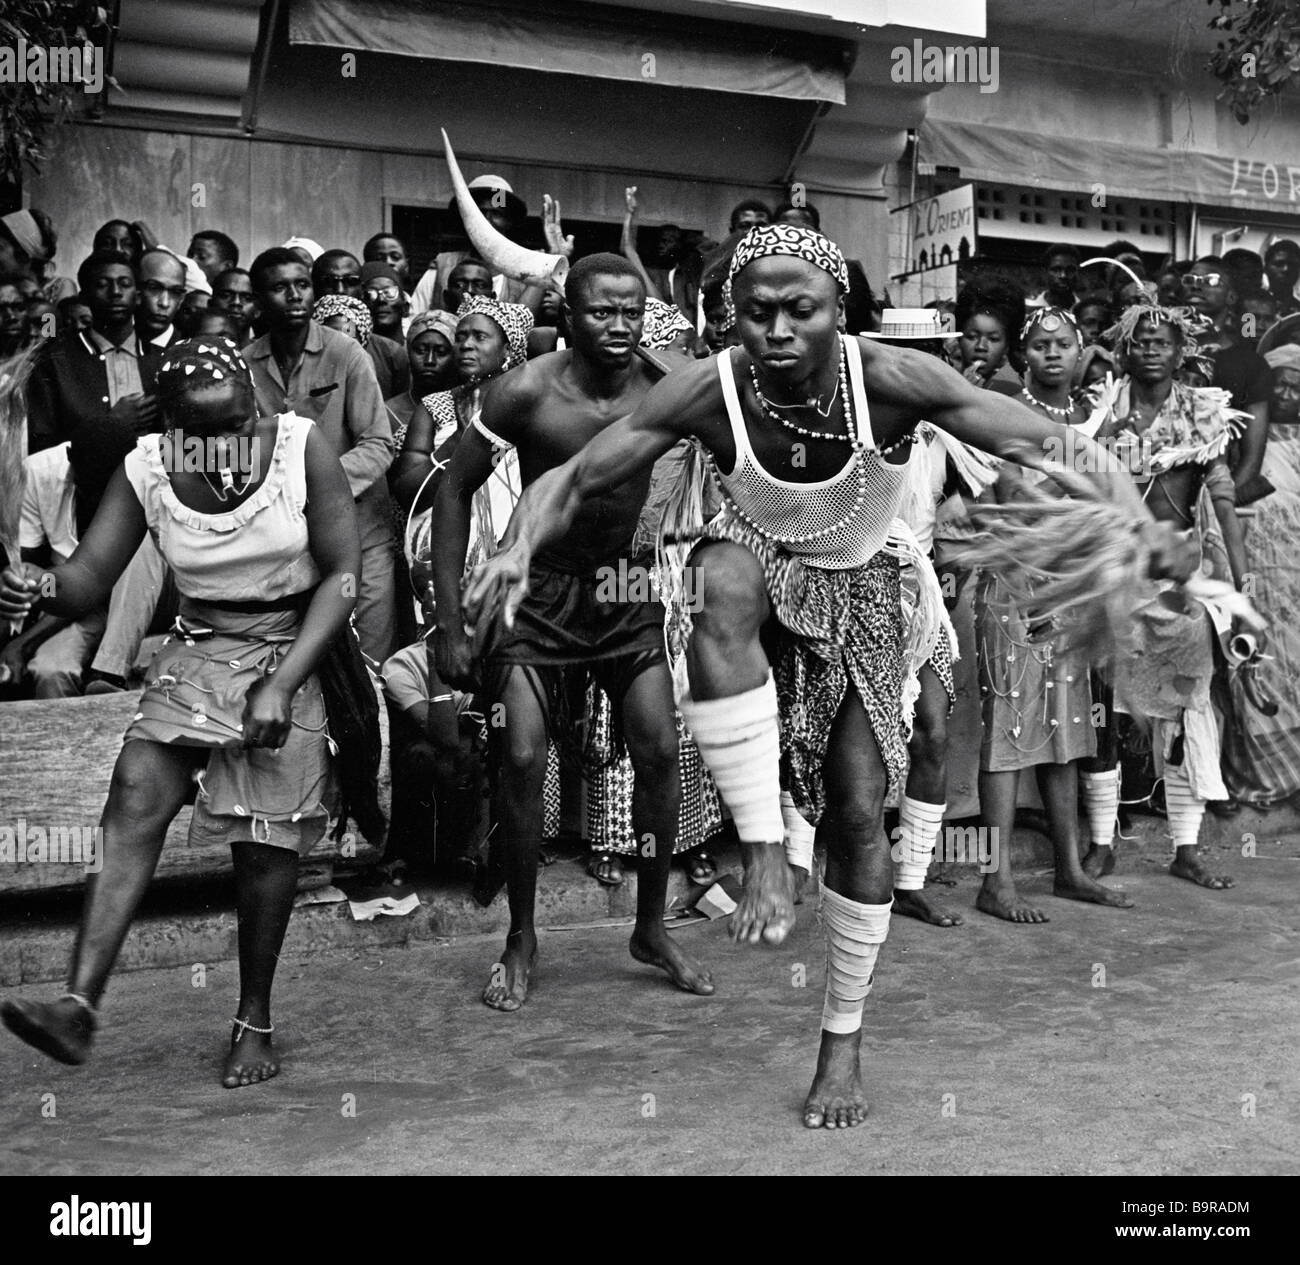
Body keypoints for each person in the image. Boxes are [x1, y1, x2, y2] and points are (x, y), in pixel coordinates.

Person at [461, 224, 1181, 1128]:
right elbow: (570, 477)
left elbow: (1046, 440)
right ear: (734, 317)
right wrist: (520, 543)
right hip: (761, 565)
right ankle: (763, 846)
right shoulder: (708, 387)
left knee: (855, 813)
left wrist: (1140, 526)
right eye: (756, 311)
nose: (778, 328)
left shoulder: (888, 379)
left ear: (840, 310)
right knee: (718, 575)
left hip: (868, 586)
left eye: (801, 308)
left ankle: (841, 1040)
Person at [0, 336, 374, 1087]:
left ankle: (253, 1018)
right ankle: (79, 1003)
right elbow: (89, 576)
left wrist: (281, 683)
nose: (229, 442)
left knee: (265, 838)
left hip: (296, 643)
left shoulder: (300, 449)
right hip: (202, 646)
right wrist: (44, 591)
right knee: (135, 792)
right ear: (167, 427)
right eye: (205, 433)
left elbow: (341, 578)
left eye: (241, 422)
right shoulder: (147, 469)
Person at [430, 254, 714, 1013]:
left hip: (624, 583)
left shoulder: (665, 383)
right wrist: (452, 618)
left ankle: (650, 926)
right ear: (567, 315)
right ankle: (521, 933)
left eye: (631, 311)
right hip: (538, 584)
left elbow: (735, 427)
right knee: (521, 753)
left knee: (658, 748)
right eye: (600, 312)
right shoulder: (526, 388)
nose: (618, 326)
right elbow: (454, 488)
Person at [1081, 304, 1250, 890]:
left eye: (1163, 341)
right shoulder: (1102, 407)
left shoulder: (1205, 414)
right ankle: (1101, 844)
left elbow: (1223, 501)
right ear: (1125, 349)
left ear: (1183, 353)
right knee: (1101, 714)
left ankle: (1186, 846)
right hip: (1116, 575)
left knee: (1185, 716)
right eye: (1142, 340)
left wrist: (1241, 587)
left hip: (1179, 585)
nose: (1152, 349)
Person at [974, 307, 1133, 921]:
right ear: (1024, 354)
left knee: (1069, 733)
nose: (1052, 355)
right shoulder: (1002, 413)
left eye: (1063, 344)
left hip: (1071, 586)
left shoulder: (1090, 422)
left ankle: (1068, 869)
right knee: (1007, 730)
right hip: (1014, 583)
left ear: (1080, 350)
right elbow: (999, 499)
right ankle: (997, 880)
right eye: (1039, 345)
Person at [243, 247, 396, 663]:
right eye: (279, 288)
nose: (294, 296)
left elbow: (378, 443)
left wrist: (312, 481)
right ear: (257, 300)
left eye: (302, 285)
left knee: (370, 668)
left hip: (361, 537)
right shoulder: (245, 364)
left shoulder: (346, 353)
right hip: (285, 547)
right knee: (299, 667)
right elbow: (239, 451)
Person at [1222, 343, 1300, 807]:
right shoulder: (1243, 438)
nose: (1289, 391)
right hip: (1256, 573)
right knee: (1257, 665)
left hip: (1294, 576)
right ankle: (1262, 775)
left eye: (1298, 383)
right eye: (1281, 382)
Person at [1183, 257, 1270, 502]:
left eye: (1211, 281)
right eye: (1190, 280)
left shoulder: (1251, 363)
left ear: (1231, 297)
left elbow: (1251, 457)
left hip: (1217, 493)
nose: (1197, 286)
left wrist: (1220, 504)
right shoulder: (1163, 355)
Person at [954, 277, 1024, 394]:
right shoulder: (947, 380)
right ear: (959, 338)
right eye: (972, 337)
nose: (981, 346)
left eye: (993, 339)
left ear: (1007, 344)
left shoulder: (1013, 391)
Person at [135, 249, 187, 349]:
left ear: (181, 299)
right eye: (154, 288)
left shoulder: (188, 353)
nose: (164, 303)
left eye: (175, 292)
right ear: (136, 289)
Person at [360, 261, 408, 343]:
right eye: (371, 294)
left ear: (406, 307)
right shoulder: (354, 352)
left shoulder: (416, 350)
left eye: (389, 292)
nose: (381, 300)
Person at [211, 267, 257, 345]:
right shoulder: (191, 349)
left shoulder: (269, 354)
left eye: (247, 298)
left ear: (258, 310)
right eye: (225, 295)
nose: (236, 302)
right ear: (210, 304)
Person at [1030, 243, 1080, 310]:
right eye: (1056, 270)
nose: (1063, 275)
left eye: (1070, 270)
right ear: (1045, 272)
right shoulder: (1030, 311)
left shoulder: (1083, 314)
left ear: (1078, 273)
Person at [1263, 239, 1300, 318]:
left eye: (1292, 265)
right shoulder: (1250, 306)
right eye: (1279, 264)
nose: (1286, 269)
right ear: (1266, 268)